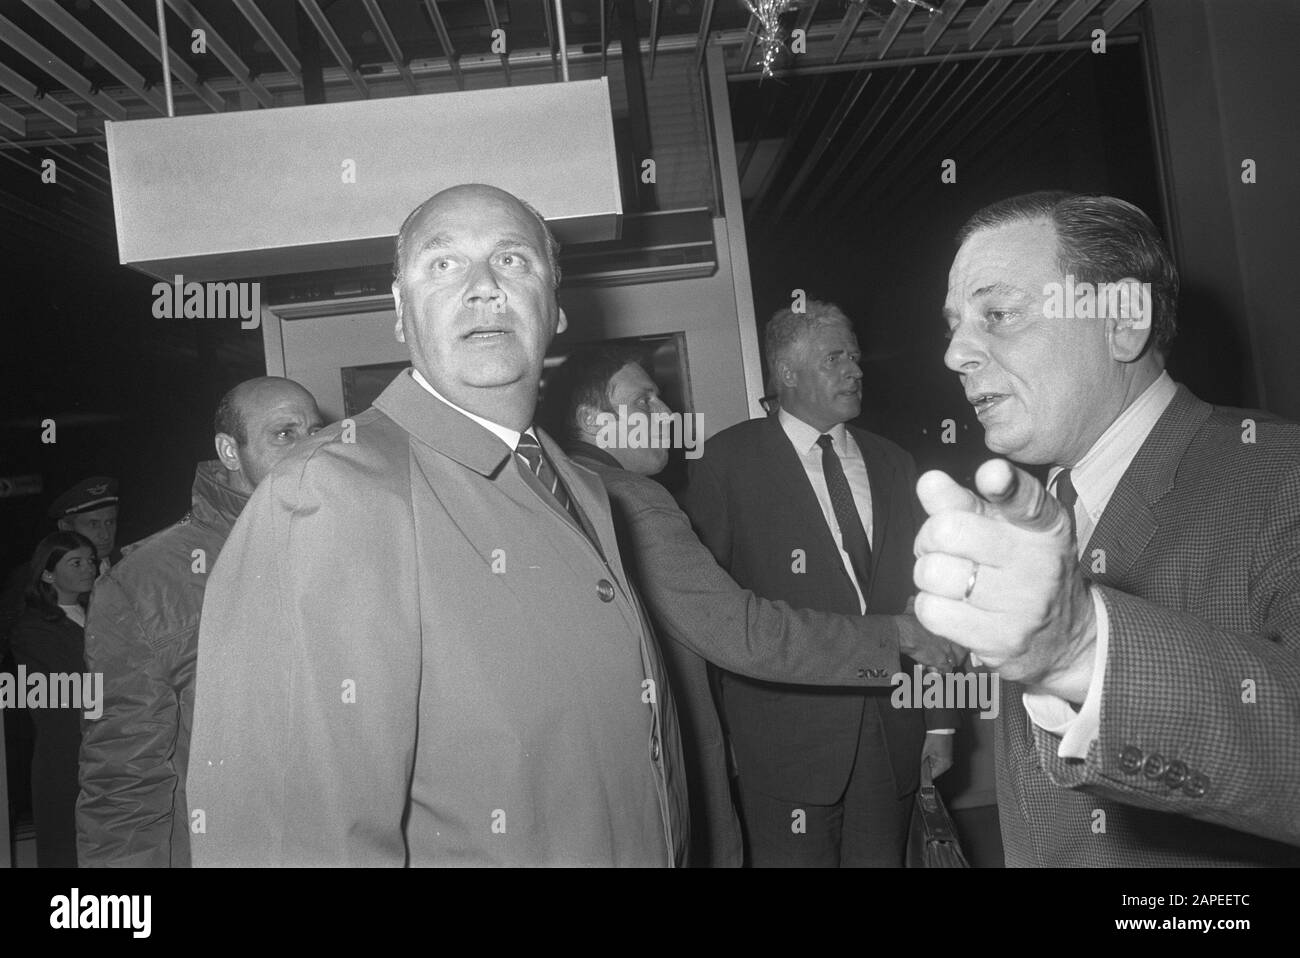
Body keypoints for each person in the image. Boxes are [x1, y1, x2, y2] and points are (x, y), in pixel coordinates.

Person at [187, 183, 688, 867]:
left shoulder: (582, 488)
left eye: (513, 261)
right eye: (443, 265)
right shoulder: (329, 495)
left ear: (557, 306)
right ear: (399, 312)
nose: (483, 287)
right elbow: (292, 843)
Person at [919, 190, 1300, 865]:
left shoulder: (1280, 477)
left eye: (998, 314)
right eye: (954, 325)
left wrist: (1080, 649)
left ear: (1123, 321)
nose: (955, 353)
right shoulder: (1040, 511)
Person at [543, 345, 958, 866]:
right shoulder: (636, 499)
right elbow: (742, 632)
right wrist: (896, 635)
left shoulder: (554, 493)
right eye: (644, 403)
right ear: (592, 421)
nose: (668, 415)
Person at [681, 301, 956, 867]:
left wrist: (943, 720)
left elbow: (932, 603)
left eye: (855, 357)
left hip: (892, 734)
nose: (856, 370)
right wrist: (715, 741)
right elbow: (712, 618)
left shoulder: (894, 462)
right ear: (787, 373)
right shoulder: (727, 463)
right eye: (836, 358)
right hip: (782, 745)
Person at [77, 377, 323, 868]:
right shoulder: (147, 584)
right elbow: (124, 777)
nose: (309, 450)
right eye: (284, 434)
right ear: (229, 451)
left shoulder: (355, 547)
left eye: (315, 432)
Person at [9, 531, 98, 867]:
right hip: (65, 754)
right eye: (75, 562)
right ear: (47, 573)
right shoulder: (34, 628)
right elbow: (81, 683)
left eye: (90, 561)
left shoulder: (100, 612)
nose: (88, 568)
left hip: (102, 747)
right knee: (67, 848)